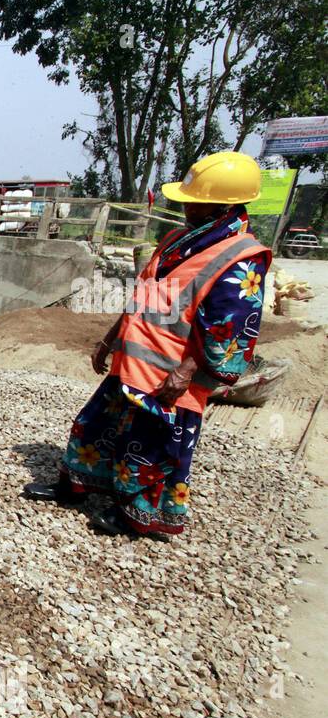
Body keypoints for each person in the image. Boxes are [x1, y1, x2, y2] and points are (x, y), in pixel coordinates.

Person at [24, 151, 271, 538]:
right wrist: (109, 340)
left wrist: (189, 372)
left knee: (151, 449)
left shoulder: (241, 259)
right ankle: (75, 487)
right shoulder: (177, 241)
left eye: (196, 203)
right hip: (135, 363)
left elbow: (232, 330)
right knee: (93, 427)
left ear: (224, 206)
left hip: (172, 377)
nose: (186, 207)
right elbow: (145, 295)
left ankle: (136, 516)